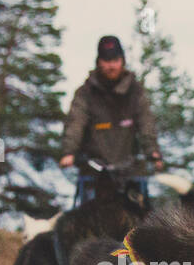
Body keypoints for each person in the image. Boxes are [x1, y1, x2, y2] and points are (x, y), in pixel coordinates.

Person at [60, 35, 163, 204]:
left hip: (130, 171)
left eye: (115, 60)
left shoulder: (135, 92)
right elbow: (75, 123)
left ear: (122, 61)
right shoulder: (85, 93)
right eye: (106, 61)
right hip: (94, 171)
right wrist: (69, 152)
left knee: (140, 221)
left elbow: (146, 123)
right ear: (99, 62)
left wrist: (153, 151)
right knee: (86, 221)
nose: (111, 65)